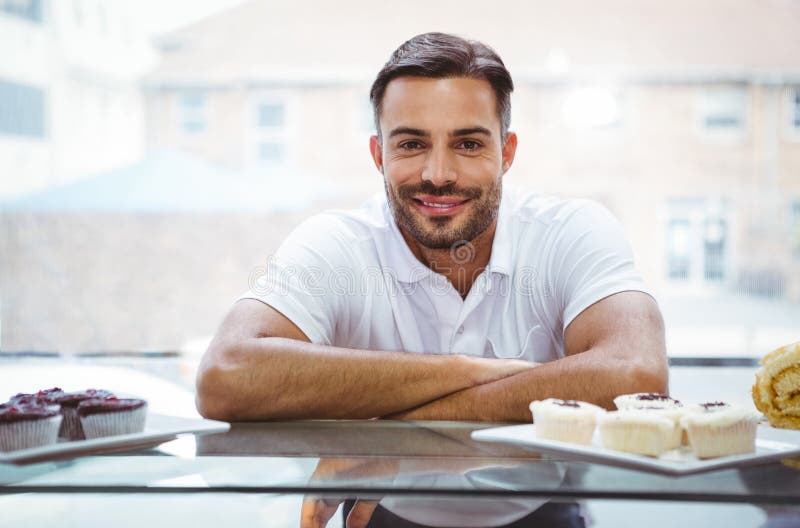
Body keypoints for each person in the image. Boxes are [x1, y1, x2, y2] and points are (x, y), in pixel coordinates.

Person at [195, 32, 667, 424]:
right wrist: (465, 369)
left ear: (506, 152)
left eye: (467, 144)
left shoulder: (569, 231)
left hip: (543, 510)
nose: (438, 173)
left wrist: (399, 437)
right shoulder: (337, 243)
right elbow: (226, 376)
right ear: (379, 156)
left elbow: (637, 374)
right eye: (412, 144)